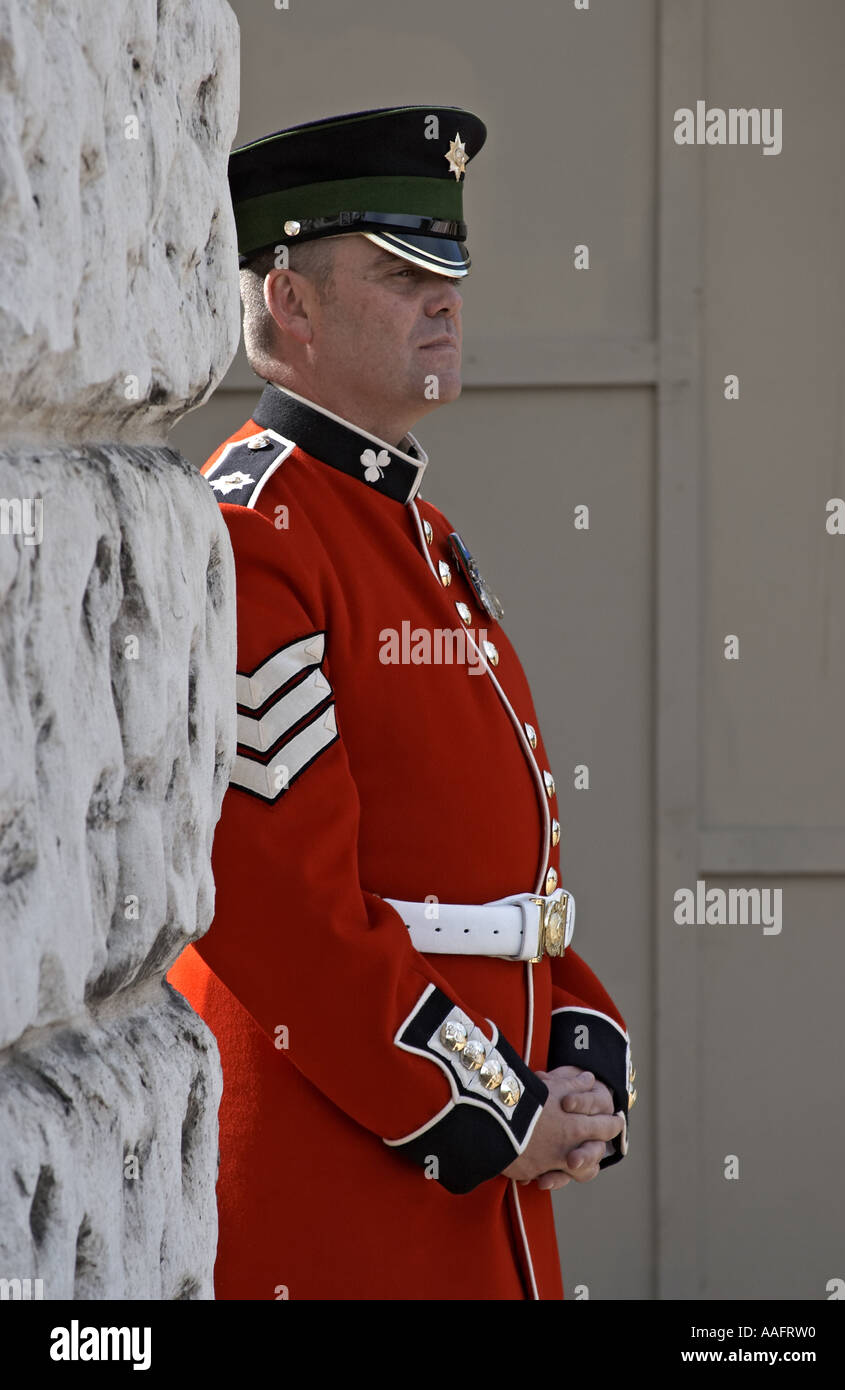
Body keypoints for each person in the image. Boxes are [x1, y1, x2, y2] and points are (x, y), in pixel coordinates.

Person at [168, 103, 636, 1301]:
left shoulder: (409, 527)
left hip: (479, 1170)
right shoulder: (252, 526)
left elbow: (492, 860)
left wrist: (572, 1046)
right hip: (352, 1179)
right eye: (400, 273)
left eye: (449, 272)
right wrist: (487, 1110)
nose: (445, 299)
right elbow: (280, 910)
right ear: (290, 302)